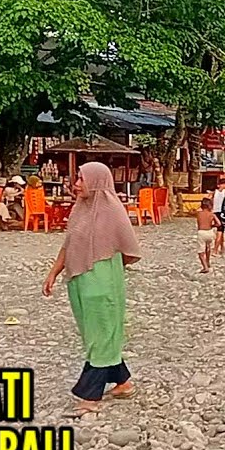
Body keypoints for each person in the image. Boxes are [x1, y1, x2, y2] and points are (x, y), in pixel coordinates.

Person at [42, 162, 142, 418]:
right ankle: (123, 382)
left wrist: (104, 265)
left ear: (96, 182)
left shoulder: (112, 212)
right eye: (77, 179)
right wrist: (53, 272)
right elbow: (69, 243)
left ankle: (90, 396)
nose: (76, 184)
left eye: (81, 180)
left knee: (100, 335)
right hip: (80, 280)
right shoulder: (81, 209)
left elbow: (129, 250)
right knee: (98, 334)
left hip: (102, 284)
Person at [195, 204, 222, 273]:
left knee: (200, 252)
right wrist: (212, 225)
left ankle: (205, 267)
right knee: (208, 247)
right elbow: (219, 224)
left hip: (201, 233)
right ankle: (208, 262)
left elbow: (193, 212)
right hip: (210, 233)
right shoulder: (212, 214)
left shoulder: (198, 214)